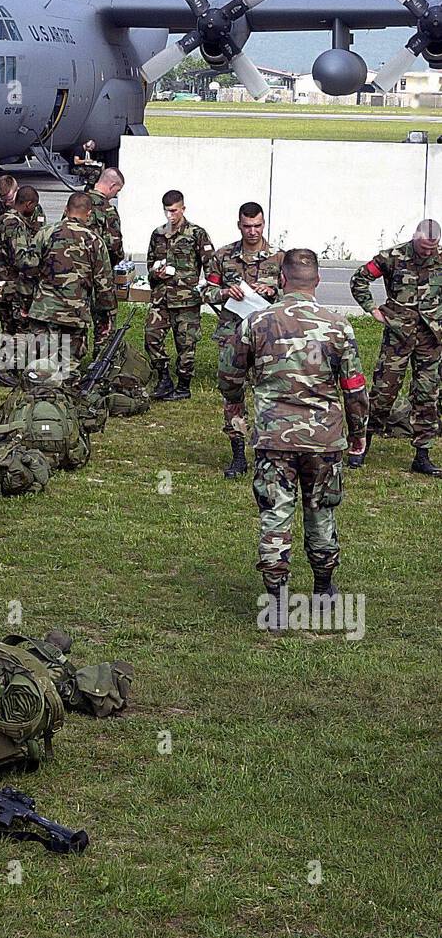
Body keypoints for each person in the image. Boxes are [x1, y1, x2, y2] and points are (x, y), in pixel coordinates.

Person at [218, 248, 368, 633]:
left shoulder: (257, 322)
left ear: (282, 279)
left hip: (274, 439)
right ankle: (323, 588)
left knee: (275, 515)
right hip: (324, 440)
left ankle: (278, 603)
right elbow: (354, 388)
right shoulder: (338, 326)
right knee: (321, 513)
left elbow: (229, 374)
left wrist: (236, 410)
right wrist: (357, 436)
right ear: (316, 281)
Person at [349, 219, 442, 475]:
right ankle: (361, 444)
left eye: (431, 248)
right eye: (423, 247)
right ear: (415, 238)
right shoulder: (392, 257)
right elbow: (359, 280)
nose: (427, 253)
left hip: (430, 338)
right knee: (383, 391)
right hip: (398, 335)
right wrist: (373, 309)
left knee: (427, 394)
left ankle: (422, 454)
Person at [203, 202, 284, 479]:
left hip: (267, 340)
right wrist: (226, 292)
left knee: (270, 395)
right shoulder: (223, 256)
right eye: (247, 226)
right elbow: (207, 292)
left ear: (264, 225)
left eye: (257, 226)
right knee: (233, 396)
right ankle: (238, 453)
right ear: (239, 225)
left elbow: (293, 296)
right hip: (233, 336)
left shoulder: (279, 258)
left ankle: (268, 452)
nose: (252, 231)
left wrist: (272, 291)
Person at [28, 190, 116, 371]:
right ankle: (66, 395)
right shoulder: (94, 241)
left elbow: (29, 268)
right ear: (89, 214)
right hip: (74, 313)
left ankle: (40, 396)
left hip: (44, 310)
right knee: (69, 366)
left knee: (41, 365)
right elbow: (104, 285)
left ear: (66, 210)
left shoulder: (45, 233)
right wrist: (105, 314)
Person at [145, 189, 214, 401]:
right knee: (151, 336)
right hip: (161, 298)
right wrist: (155, 273)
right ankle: (164, 377)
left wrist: (205, 289)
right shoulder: (158, 234)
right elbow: (150, 264)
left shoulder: (196, 233)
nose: (170, 216)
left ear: (183, 209)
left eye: (174, 211)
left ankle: (183, 385)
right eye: (167, 211)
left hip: (186, 299)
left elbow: (211, 266)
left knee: (186, 344)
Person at [0, 184, 41, 341]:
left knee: (6, 328)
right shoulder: (16, 223)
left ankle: (3, 362)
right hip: (12, 287)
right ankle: (13, 364)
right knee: (18, 331)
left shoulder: (1, 219)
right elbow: (21, 259)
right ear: (28, 204)